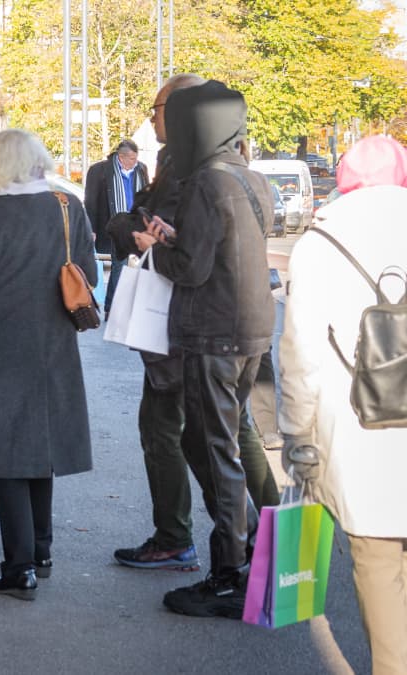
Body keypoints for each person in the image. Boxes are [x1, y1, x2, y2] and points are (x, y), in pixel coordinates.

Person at [108, 74, 278, 574]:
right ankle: (271, 550)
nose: (154, 118)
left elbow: (192, 264)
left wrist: (150, 243)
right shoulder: (246, 173)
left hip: (205, 331)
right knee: (224, 438)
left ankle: (234, 565)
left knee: (208, 444)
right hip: (241, 327)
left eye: (160, 108)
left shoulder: (204, 175)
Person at [0, 129, 95, 601]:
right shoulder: (67, 208)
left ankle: (19, 568)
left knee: (4, 456)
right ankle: (42, 551)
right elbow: (87, 275)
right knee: (40, 447)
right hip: (54, 344)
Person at [280, 135, 407, 675]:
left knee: (377, 559)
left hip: (363, 432)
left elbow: (301, 353)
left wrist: (296, 432)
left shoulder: (320, 242)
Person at [84, 139, 149, 314]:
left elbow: (145, 195)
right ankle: (112, 307)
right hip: (116, 225)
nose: (134, 162)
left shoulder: (141, 169)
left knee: (141, 265)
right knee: (118, 265)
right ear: (121, 157)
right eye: (131, 159)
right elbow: (91, 202)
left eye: (136, 158)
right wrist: (91, 228)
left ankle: (128, 306)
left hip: (136, 223)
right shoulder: (100, 171)